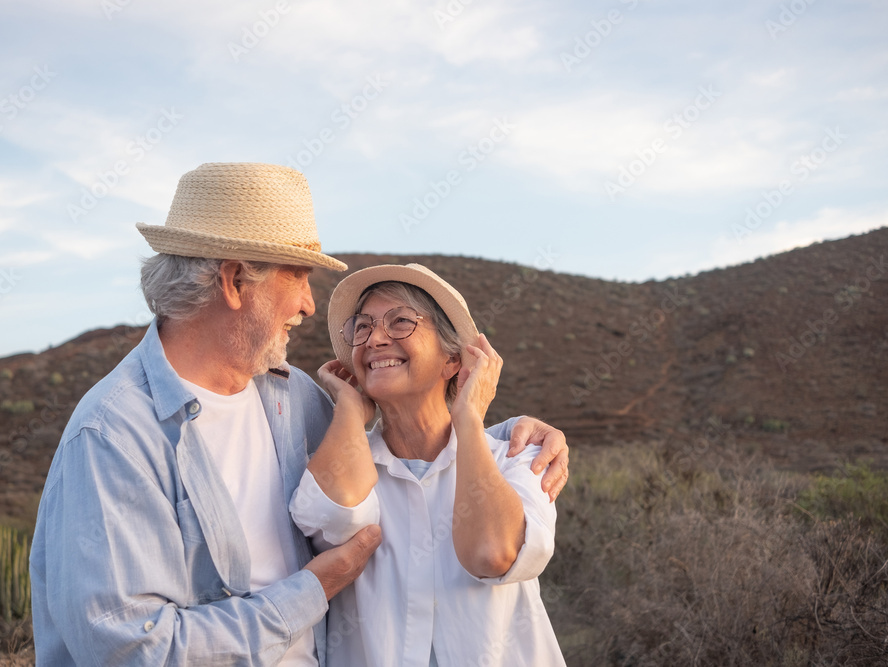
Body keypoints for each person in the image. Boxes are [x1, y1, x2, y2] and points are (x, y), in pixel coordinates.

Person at [30, 163, 569, 666]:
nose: (311, 306)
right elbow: (129, 649)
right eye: (298, 276)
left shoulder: (296, 402)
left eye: (401, 323)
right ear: (234, 280)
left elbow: (417, 452)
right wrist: (312, 589)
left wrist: (498, 431)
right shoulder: (113, 435)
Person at [290, 263, 566, 666]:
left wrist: (470, 418)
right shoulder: (344, 463)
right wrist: (349, 410)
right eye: (362, 327)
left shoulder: (519, 457)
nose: (376, 339)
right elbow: (333, 521)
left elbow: (492, 554)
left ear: (452, 361)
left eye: (400, 321)